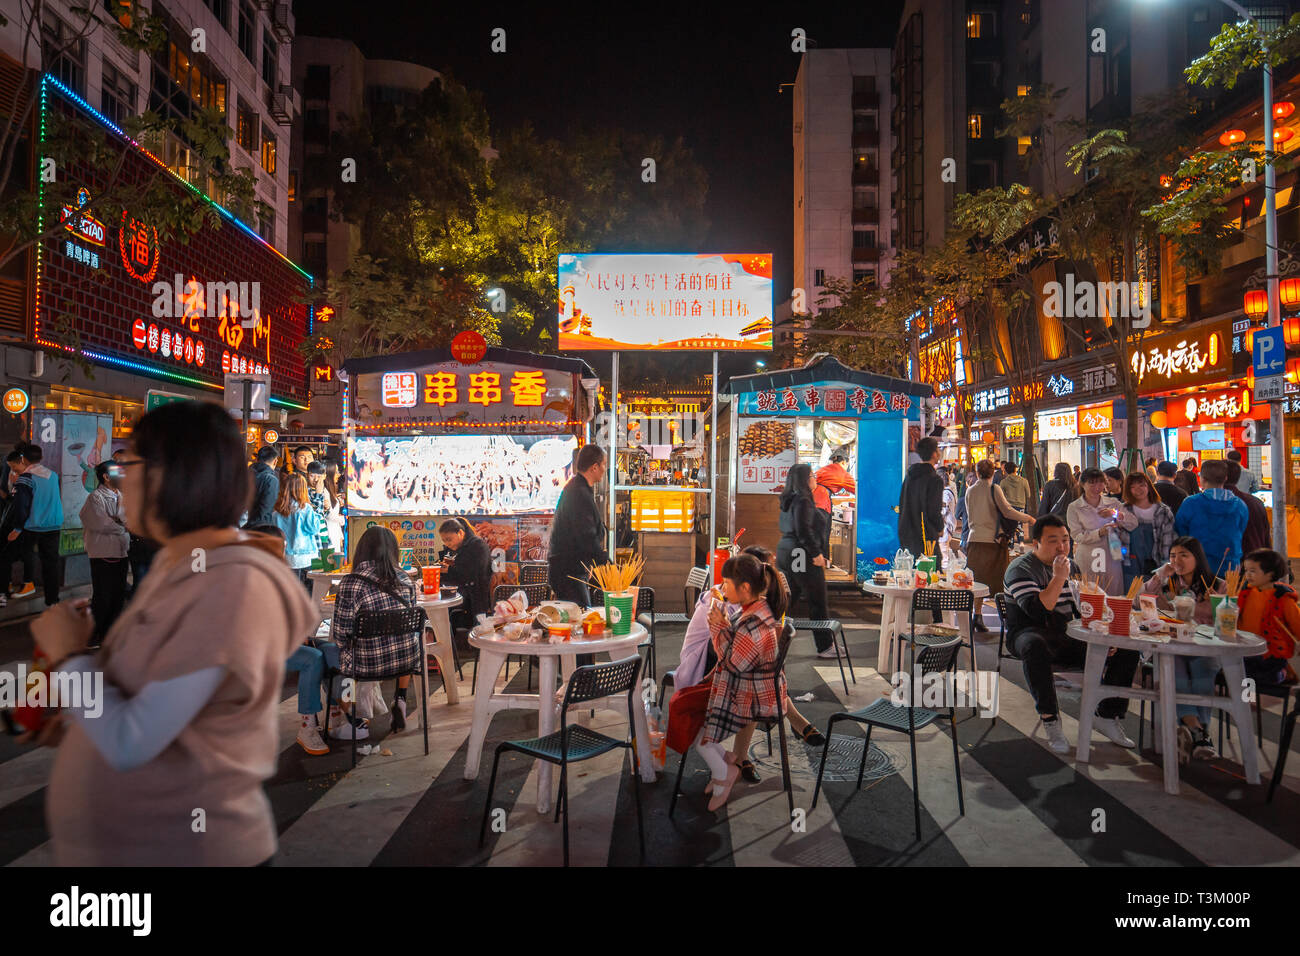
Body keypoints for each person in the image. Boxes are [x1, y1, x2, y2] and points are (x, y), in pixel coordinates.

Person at [30, 400, 316, 865]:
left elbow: (133, 739)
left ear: (172, 475)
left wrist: (69, 660)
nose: (123, 479)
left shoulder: (229, 583)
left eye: (129, 464)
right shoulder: (180, 563)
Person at [675, 545, 825, 784]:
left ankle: (739, 759)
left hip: (730, 664)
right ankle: (788, 725)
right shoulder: (724, 599)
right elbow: (732, 655)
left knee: (758, 678)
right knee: (758, 680)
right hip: (703, 663)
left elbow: (742, 654)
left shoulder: (754, 605)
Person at [1002, 514, 1141, 754]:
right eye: (1053, 540)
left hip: (1067, 634)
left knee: (1127, 644)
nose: (1062, 546)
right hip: (1029, 631)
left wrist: (1103, 630)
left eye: (1065, 540)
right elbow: (1037, 609)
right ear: (1036, 543)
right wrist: (1058, 578)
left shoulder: (1072, 565)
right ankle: (1050, 719)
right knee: (1034, 645)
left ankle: (1107, 714)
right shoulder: (1020, 569)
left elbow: (1082, 608)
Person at [696, 553, 789, 811]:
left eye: (726, 583)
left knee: (691, 721)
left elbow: (734, 664)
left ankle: (725, 770)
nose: (722, 588)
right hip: (751, 686)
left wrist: (717, 629)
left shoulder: (754, 622)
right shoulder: (753, 610)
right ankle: (725, 765)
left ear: (745, 588)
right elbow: (736, 655)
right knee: (687, 707)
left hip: (753, 696)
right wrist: (724, 626)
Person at [329, 526, 424, 735]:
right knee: (402, 642)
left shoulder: (351, 582)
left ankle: (350, 716)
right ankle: (400, 697)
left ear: (361, 550)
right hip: (406, 659)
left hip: (366, 664)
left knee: (332, 658)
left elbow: (341, 634)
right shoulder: (406, 579)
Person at [1143, 537, 1224, 762]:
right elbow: (1143, 601)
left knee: (1204, 669)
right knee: (1173, 670)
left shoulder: (1217, 585)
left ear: (1197, 558)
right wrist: (1160, 575)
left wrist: (1217, 602)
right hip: (1173, 645)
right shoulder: (1168, 583)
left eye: (1184, 555)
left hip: (1205, 647)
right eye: (1172, 556)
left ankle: (1193, 731)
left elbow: (1226, 620)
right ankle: (1199, 733)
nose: (1177, 560)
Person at [964, 458, 1033, 632]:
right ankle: (1008, 618)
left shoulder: (970, 491)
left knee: (977, 580)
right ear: (993, 473)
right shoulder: (995, 489)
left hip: (974, 540)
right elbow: (1007, 511)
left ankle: (977, 615)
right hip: (993, 542)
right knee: (1000, 580)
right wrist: (1028, 518)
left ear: (978, 473)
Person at [777, 463, 833, 656]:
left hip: (787, 551)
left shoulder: (788, 500)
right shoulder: (802, 500)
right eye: (811, 476)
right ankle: (825, 646)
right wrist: (816, 554)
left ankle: (766, 634)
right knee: (817, 598)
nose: (814, 479)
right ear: (804, 479)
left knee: (787, 597)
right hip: (801, 553)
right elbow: (803, 531)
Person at [548, 445, 608, 606]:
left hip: (570, 569)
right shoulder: (578, 492)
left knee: (578, 618)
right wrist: (605, 562)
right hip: (568, 572)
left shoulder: (578, 488)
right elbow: (585, 536)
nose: (604, 469)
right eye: (603, 465)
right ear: (594, 467)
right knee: (579, 619)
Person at [79, 462, 130, 646]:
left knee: (118, 595)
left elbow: (129, 519)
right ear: (106, 477)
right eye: (118, 472)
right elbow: (101, 524)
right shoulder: (95, 497)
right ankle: (94, 634)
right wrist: (122, 526)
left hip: (122, 551)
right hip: (102, 552)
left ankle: (110, 633)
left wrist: (120, 522)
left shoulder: (123, 496)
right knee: (103, 595)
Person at [1066, 467, 1137, 595]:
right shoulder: (1074, 507)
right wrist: (1099, 533)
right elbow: (1077, 535)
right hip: (1088, 556)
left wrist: (1115, 514)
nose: (1097, 486)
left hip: (1110, 555)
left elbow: (1133, 523)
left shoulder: (1112, 503)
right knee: (1090, 596)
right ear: (1083, 484)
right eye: (1092, 483)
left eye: (1100, 482)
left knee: (1112, 594)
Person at [1237, 548, 1300, 688]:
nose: (1247, 575)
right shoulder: (1246, 593)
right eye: (1246, 570)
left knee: (1262, 677)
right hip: (1246, 649)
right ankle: (1244, 704)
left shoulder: (1283, 599)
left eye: (1252, 571)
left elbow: (1297, 622)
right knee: (1239, 674)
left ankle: (1283, 673)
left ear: (1270, 574)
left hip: (1271, 654)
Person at [1174, 459, 1248, 573]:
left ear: (1202, 479)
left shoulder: (1190, 503)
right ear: (1225, 479)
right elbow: (1242, 530)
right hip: (1230, 567)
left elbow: (1180, 532)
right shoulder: (1240, 505)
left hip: (1197, 566)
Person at [14, 443, 63, 606]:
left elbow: (22, 506)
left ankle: (27, 584)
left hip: (33, 526)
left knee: (26, 556)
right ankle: (53, 600)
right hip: (54, 525)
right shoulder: (53, 475)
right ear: (41, 458)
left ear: (23, 459)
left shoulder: (26, 478)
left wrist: (17, 527)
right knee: (51, 564)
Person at [1119, 471, 1175, 592]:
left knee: (1153, 601)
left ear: (1149, 486)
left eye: (1141, 485)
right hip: (1129, 563)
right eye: (1132, 487)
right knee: (1131, 600)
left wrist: (1166, 565)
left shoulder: (1163, 511)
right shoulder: (1123, 510)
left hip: (1156, 563)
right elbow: (1115, 536)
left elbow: (1168, 541)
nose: (1137, 489)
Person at [898, 436, 944, 567]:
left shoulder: (909, 476)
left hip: (907, 533)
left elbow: (902, 503)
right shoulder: (935, 480)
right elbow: (934, 510)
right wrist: (940, 528)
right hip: (926, 536)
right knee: (930, 575)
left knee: (911, 575)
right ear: (934, 454)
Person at [272, 473, 323, 591]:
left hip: (286, 557)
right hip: (307, 557)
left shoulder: (276, 512)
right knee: (308, 593)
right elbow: (314, 528)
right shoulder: (305, 509)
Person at [439, 517, 493, 627]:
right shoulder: (452, 549)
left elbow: (474, 574)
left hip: (477, 597)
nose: (447, 543)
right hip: (459, 594)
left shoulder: (478, 546)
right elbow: (451, 566)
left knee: (477, 631)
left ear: (460, 533)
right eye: (444, 540)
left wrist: (448, 570)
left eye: (449, 539)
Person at [0, 449, 32, 607]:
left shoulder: (24, 481)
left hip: (17, 525)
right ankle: (7, 588)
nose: (13, 471)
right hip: (16, 523)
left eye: (14, 468)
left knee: (5, 558)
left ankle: (4, 591)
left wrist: (18, 528)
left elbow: (20, 505)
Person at [1224, 459, 1271, 555]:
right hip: (1255, 558)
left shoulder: (1214, 503)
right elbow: (1265, 535)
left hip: (1229, 561)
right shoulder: (1256, 502)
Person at [245, 444, 280, 528]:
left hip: (241, 526)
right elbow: (266, 509)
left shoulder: (244, 475)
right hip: (261, 528)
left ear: (257, 459)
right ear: (275, 461)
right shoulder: (271, 480)